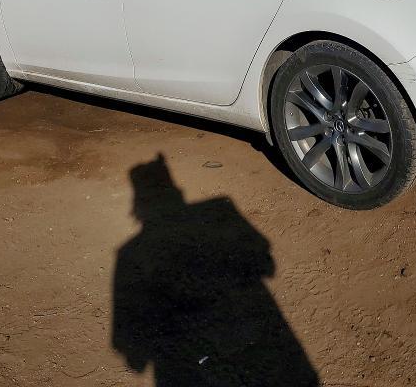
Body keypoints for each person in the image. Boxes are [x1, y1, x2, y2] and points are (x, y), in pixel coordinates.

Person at [112, 154, 319, 386]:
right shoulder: (218, 208)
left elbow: (132, 353)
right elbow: (265, 264)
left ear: (139, 204)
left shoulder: (130, 253)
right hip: (247, 342)